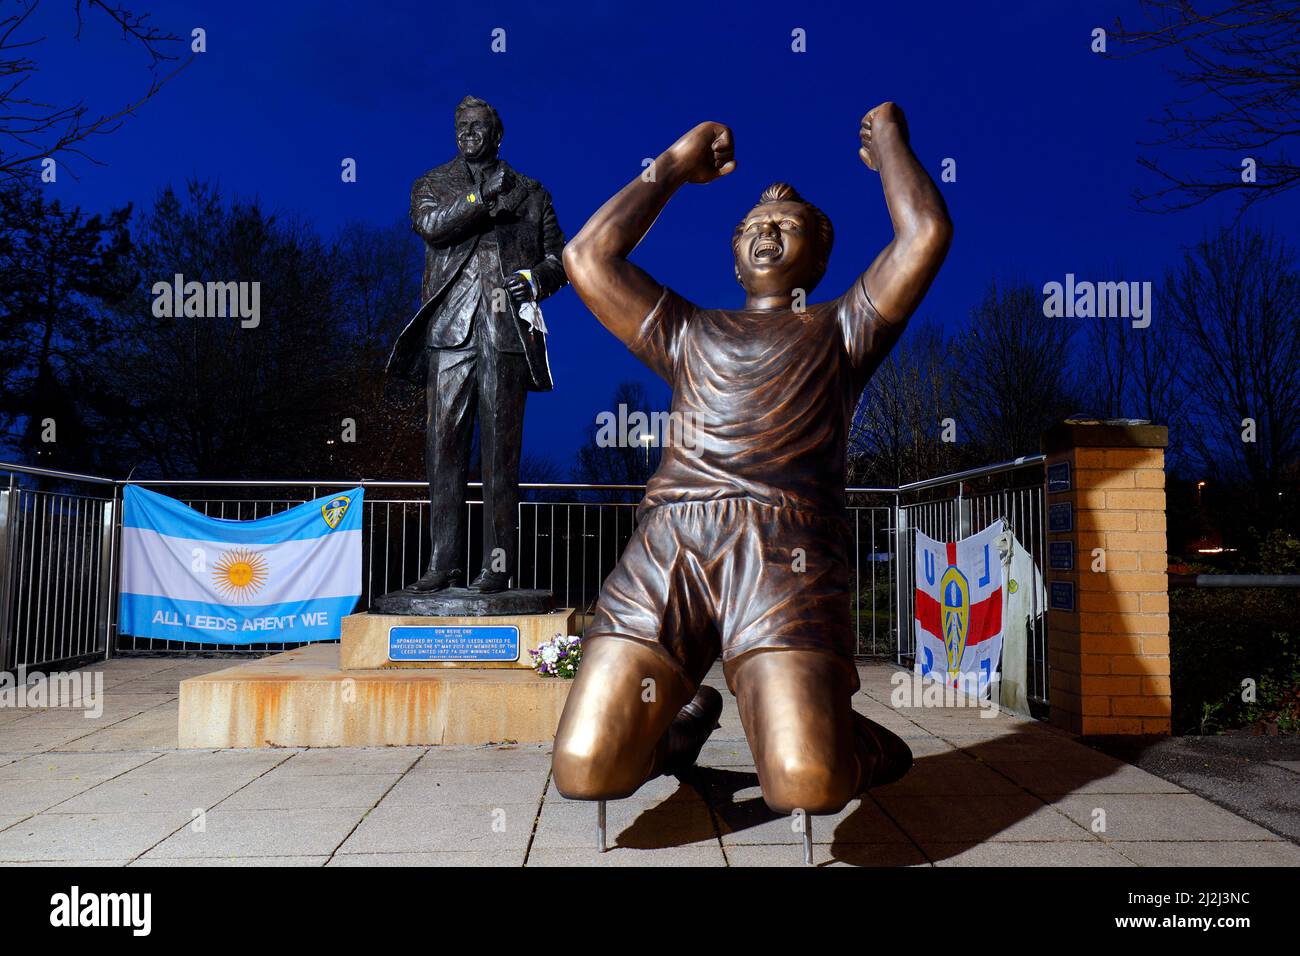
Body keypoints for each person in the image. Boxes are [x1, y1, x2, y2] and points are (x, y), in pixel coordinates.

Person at [552, 103, 952, 814]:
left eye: (787, 227)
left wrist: (889, 142)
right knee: (587, 769)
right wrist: (672, 167)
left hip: (784, 550)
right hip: (670, 546)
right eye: (753, 228)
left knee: (805, 784)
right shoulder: (686, 330)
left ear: (821, 257)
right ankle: (678, 733)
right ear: (733, 249)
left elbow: (924, 233)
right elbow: (586, 257)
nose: (767, 233)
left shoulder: (842, 328)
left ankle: (846, 736)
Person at [387, 96, 567, 594]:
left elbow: (561, 261)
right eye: (461, 126)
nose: (468, 132)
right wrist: (481, 198)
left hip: (506, 331)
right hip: (450, 332)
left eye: (478, 126)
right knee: (442, 449)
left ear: (498, 134)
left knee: (500, 455)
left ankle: (498, 564)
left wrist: (533, 278)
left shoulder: (532, 193)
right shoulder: (432, 184)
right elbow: (432, 227)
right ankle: (443, 563)